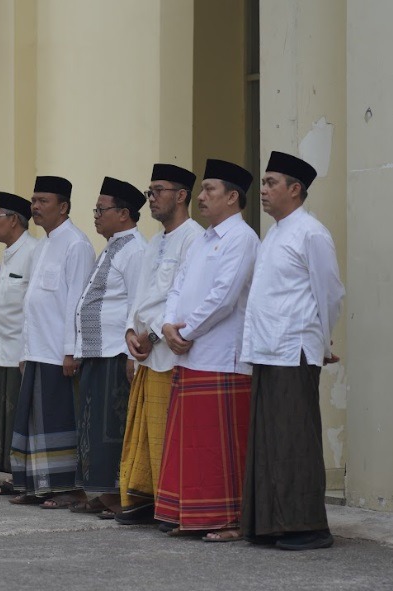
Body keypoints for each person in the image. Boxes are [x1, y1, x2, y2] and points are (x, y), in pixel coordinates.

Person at [240, 151, 344, 550]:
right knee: (269, 442)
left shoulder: (311, 232)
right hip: (267, 350)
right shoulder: (275, 232)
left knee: (294, 440)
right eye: (263, 183)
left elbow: (329, 292)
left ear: (295, 189)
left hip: (293, 349)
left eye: (271, 183)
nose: (263, 191)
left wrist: (321, 340)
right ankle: (270, 524)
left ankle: (308, 526)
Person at [155, 159, 259, 541]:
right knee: (193, 443)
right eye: (201, 190)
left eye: (209, 190)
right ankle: (191, 513)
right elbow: (178, 287)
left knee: (221, 446)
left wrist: (187, 331)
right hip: (189, 352)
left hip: (222, 356)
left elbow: (224, 298)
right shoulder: (202, 239)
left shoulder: (242, 238)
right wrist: (168, 325)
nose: (201, 197)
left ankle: (228, 520)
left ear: (233, 197)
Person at [117, 164, 202, 525]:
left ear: (181, 196)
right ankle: (145, 500)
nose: (151, 198)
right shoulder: (155, 241)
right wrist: (128, 335)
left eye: (158, 191)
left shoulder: (194, 238)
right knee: (145, 433)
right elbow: (138, 297)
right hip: (144, 350)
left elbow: (182, 298)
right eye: (149, 191)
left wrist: (149, 336)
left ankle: (172, 504)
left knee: (168, 432)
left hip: (168, 350)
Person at [9, 176, 95, 505]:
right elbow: (31, 302)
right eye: (34, 200)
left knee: (60, 421)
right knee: (33, 422)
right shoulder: (42, 244)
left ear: (63, 207)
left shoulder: (76, 244)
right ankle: (35, 486)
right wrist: (24, 351)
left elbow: (77, 302)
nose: (35, 207)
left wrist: (71, 351)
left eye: (43, 201)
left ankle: (67, 489)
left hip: (60, 354)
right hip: (36, 350)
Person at [70, 177, 146, 513]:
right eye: (96, 209)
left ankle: (117, 495)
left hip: (117, 353)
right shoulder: (113, 245)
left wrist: (133, 356)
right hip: (96, 353)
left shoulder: (135, 250)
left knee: (110, 430)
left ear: (124, 213)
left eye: (102, 209)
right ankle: (101, 492)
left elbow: (138, 304)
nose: (96, 215)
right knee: (92, 427)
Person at [0, 192, 37, 495]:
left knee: (22, 415)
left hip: (22, 350)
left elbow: (32, 306)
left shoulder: (32, 251)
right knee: (5, 416)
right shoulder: (8, 254)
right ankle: (14, 475)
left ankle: (27, 476)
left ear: (14, 220)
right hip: (4, 350)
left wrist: (27, 349)